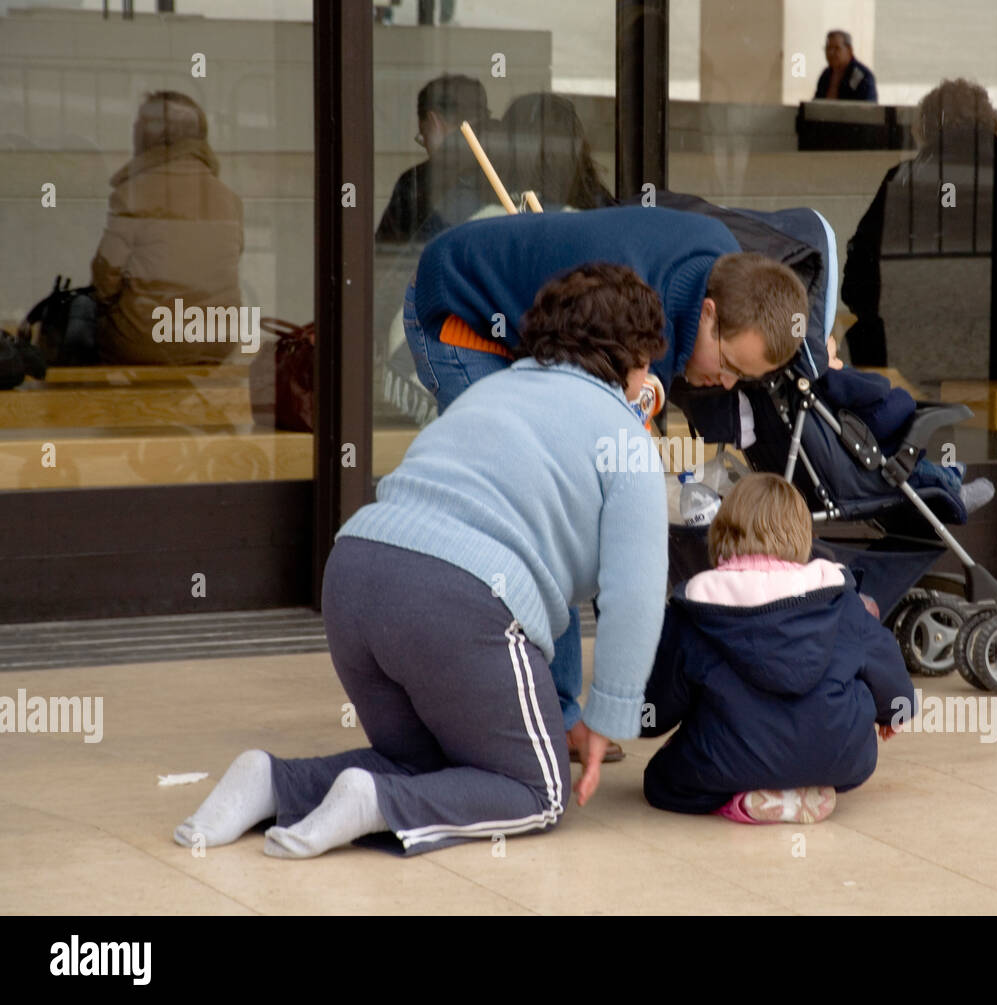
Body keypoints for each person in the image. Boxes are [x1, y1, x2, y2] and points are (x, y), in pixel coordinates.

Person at [173, 264, 669, 858]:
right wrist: (610, 714)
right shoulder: (625, 437)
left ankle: (272, 781)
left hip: (356, 570)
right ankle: (378, 805)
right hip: (463, 595)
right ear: (634, 356)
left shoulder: (491, 388)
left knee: (422, 761)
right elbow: (636, 592)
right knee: (535, 789)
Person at [405, 207, 810, 758]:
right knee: (541, 505)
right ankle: (555, 711)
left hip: (538, 330)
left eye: (743, 378)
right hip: (462, 309)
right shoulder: (630, 298)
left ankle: (550, 700)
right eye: (729, 365)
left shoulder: (717, 269)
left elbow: (644, 389)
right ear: (709, 316)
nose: (725, 382)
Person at [640, 474, 914, 824]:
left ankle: (742, 801)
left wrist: (642, 722)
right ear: (803, 536)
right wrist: (894, 711)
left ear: (721, 532)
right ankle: (801, 789)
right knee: (807, 752)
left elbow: (659, 707)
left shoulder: (696, 608)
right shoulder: (839, 598)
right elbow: (886, 664)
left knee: (661, 781)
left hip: (728, 761)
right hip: (840, 759)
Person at [840, 79, 997, 379]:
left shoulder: (902, 187)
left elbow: (857, 283)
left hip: (907, 360)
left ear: (926, 128)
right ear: (991, 125)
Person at [90, 91, 244, 366]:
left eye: (138, 125)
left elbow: (105, 280)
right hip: (219, 339)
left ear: (150, 136)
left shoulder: (133, 194)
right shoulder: (228, 198)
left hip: (146, 342)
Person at [374, 75, 494, 246]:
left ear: (433, 122)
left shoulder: (416, 181)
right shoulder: (510, 168)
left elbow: (387, 254)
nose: (425, 145)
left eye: (423, 135)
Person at [814, 30, 877, 102]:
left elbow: (867, 107)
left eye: (836, 48)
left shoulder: (861, 75)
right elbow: (817, 102)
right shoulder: (826, 74)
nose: (831, 53)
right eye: (828, 48)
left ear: (849, 50)